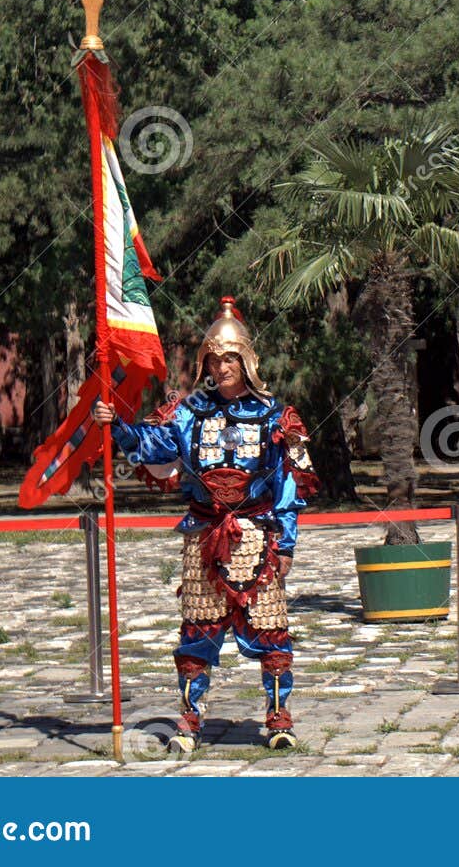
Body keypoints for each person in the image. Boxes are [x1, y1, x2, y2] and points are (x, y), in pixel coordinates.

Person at [94, 297, 318, 752]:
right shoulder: (188, 412)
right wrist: (116, 425)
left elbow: (288, 481)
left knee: (270, 630)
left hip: (257, 537)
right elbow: (151, 446)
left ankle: (277, 719)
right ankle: (190, 721)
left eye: (230, 358)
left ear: (248, 361)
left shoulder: (276, 415)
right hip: (203, 534)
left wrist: (288, 541)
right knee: (196, 631)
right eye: (214, 360)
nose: (222, 367)